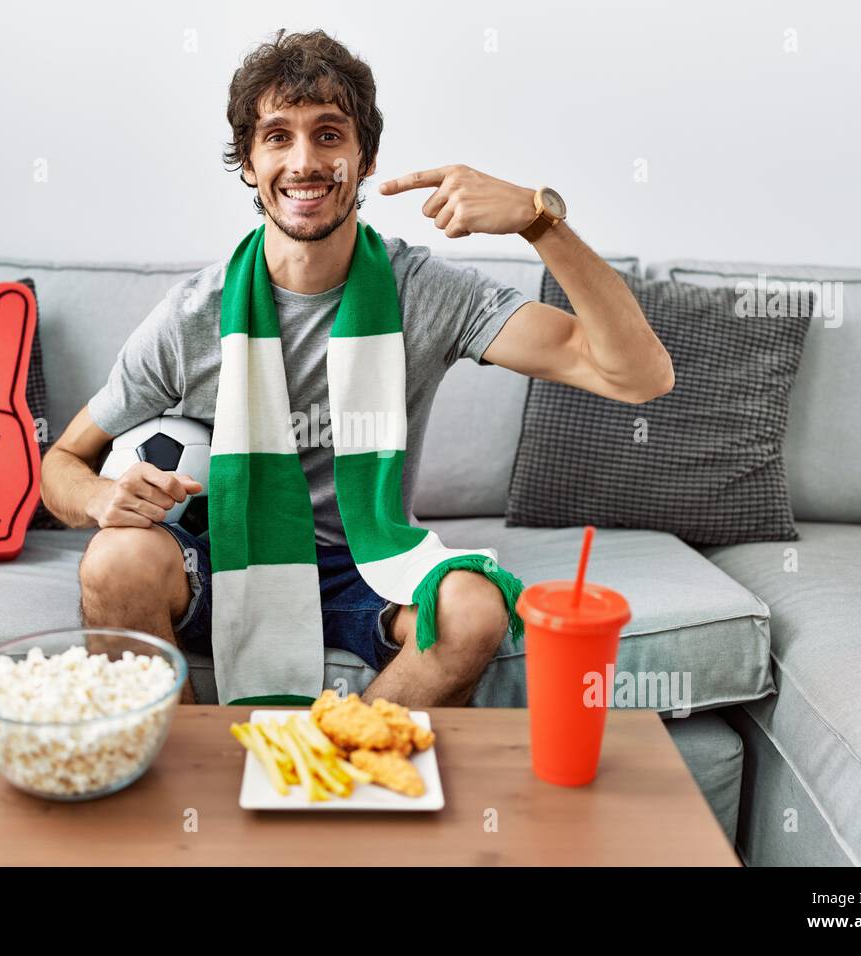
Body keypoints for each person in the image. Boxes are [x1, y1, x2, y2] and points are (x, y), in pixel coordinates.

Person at [40, 29, 673, 706]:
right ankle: (188, 791)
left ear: (364, 158)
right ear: (249, 164)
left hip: (367, 567)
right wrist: (102, 498)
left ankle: (338, 768)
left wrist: (539, 223)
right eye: (278, 136)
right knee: (115, 559)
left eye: (329, 135)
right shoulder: (195, 315)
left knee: (473, 608)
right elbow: (62, 464)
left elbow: (636, 375)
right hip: (226, 558)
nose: (305, 161)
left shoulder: (424, 292)